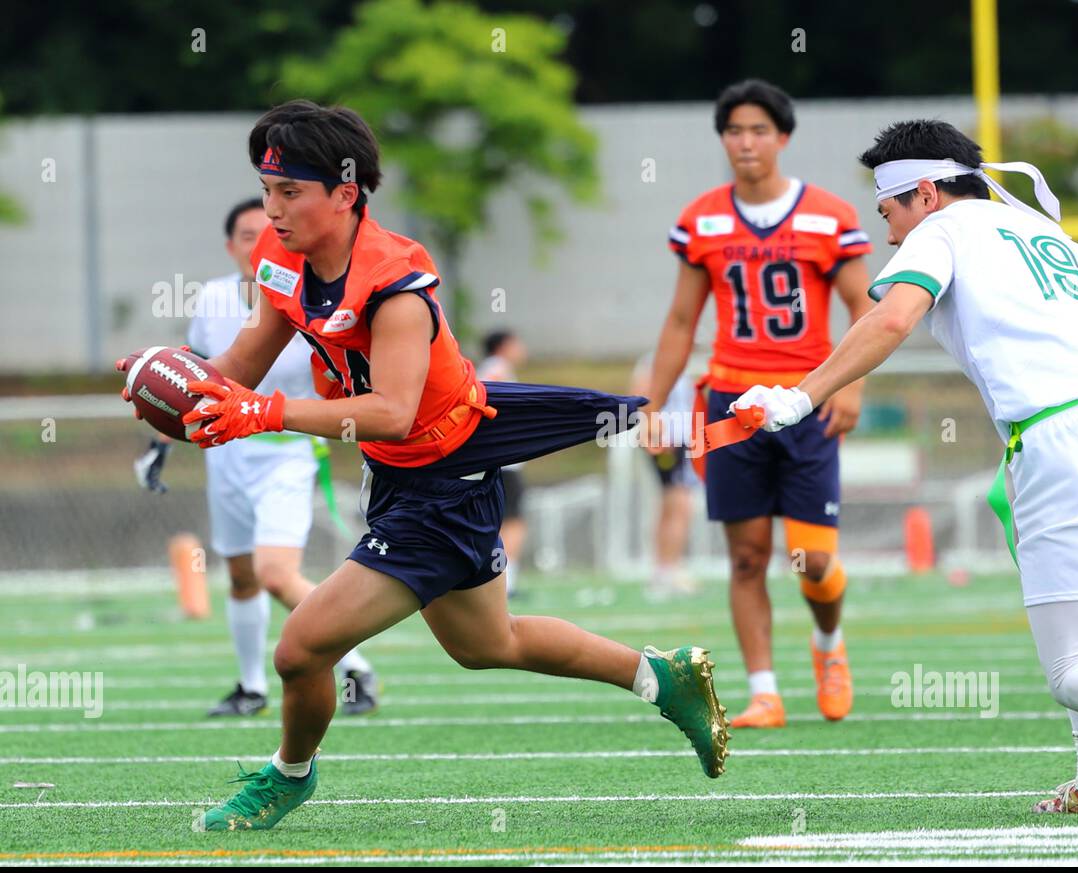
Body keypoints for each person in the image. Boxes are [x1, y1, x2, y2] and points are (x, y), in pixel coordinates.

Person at [117, 100, 729, 830]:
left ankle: (289, 775)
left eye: (289, 192)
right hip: (403, 475)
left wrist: (264, 414)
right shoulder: (280, 261)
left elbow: (392, 410)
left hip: (444, 480)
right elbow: (236, 370)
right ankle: (662, 678)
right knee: (487, 644)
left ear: (344, 193)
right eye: (266, 189)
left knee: (300, 648)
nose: (270, 210)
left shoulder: (395, 282)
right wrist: (174, 391)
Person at [730, 119, 1078, 817]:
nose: (888, 231)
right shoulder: (1041, 229)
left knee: (1073, 671)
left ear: (922, 192)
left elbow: (893, 319)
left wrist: (801, 396)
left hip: (1066, 437)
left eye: (887, 209)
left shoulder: (942, 232)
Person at [643, 79, 875, 728]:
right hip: (731, 405)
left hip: (806, 400)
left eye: (759, 130)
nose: (746, 142)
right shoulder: (702, 218)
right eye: (735, 130)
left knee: (814, 561)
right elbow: (682, 318)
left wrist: (849, 385)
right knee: (746, 556)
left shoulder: (828, 215)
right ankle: (765, 691)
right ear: (723, 139)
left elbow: (865, 306)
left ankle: (828, 642)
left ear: (783, 138)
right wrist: (652, 405)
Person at [133, 197, 379, 717]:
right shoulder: (212, 299)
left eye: (267, 229)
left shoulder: (306, 298)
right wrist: (158, 433)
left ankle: (355, 666)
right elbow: (197, 375)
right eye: (247, 235)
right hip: (225, 454)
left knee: (275, 573)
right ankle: (251, 687)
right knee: (242, 576)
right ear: (230, 246)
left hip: (284, 450)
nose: (260, 241)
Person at [630, 354, 698, 600]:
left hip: (677, 440)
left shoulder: (675, 364)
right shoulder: (655, 362)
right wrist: (655, 429)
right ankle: (668, 569)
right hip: (667, 440)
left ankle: (664, 568)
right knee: (679, 504)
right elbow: (641, 395)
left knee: (672, 503)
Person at [477, 330, 528, 598]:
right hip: (504, 460)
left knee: (503, 522)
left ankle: (503, 580)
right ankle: (506, 581)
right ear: (504, 346)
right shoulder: (496, 368)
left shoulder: (494, 367)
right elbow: (484, 398)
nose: (522, 348)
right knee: (513, 521)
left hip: (498, 458)